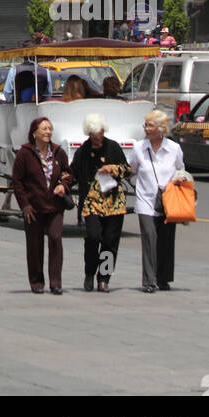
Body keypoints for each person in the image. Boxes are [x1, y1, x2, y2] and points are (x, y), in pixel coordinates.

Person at [12, 116, 72, 294]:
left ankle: (56, 282)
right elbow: (17, 181)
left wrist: (64, 185)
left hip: (54, 206)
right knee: (34, 245)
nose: (48, 132)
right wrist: (25, 205)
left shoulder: (58, 152)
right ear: (34, 133)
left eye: (50, 129)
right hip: (34, 207)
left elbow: (68, 173)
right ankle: (37, 282)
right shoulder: (25, 153)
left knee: (55, 238)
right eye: (44, 129)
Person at [70, 113, 131, 292]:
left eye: (100, 134)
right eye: (94, 135)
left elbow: (127, 170)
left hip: (113, 202)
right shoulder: (83, 151)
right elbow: (73, 173)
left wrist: (113, 169)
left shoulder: (113, 148)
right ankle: (89, 273)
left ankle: (104, 278)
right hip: (91, 202)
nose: (98, 139)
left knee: (110, 242)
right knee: (93, 236)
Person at [130, 109, 185, 293]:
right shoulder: (139, 148)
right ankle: (148, 281)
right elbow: (132, 170)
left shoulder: (174, 149)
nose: (146, 128)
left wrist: (179, 179)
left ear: (161, 128)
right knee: (149, 237)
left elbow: (181, 170)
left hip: (168, 200)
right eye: (145, 125)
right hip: (145, 200)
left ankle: (163, 278)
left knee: (165, 240)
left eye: (150, 125)